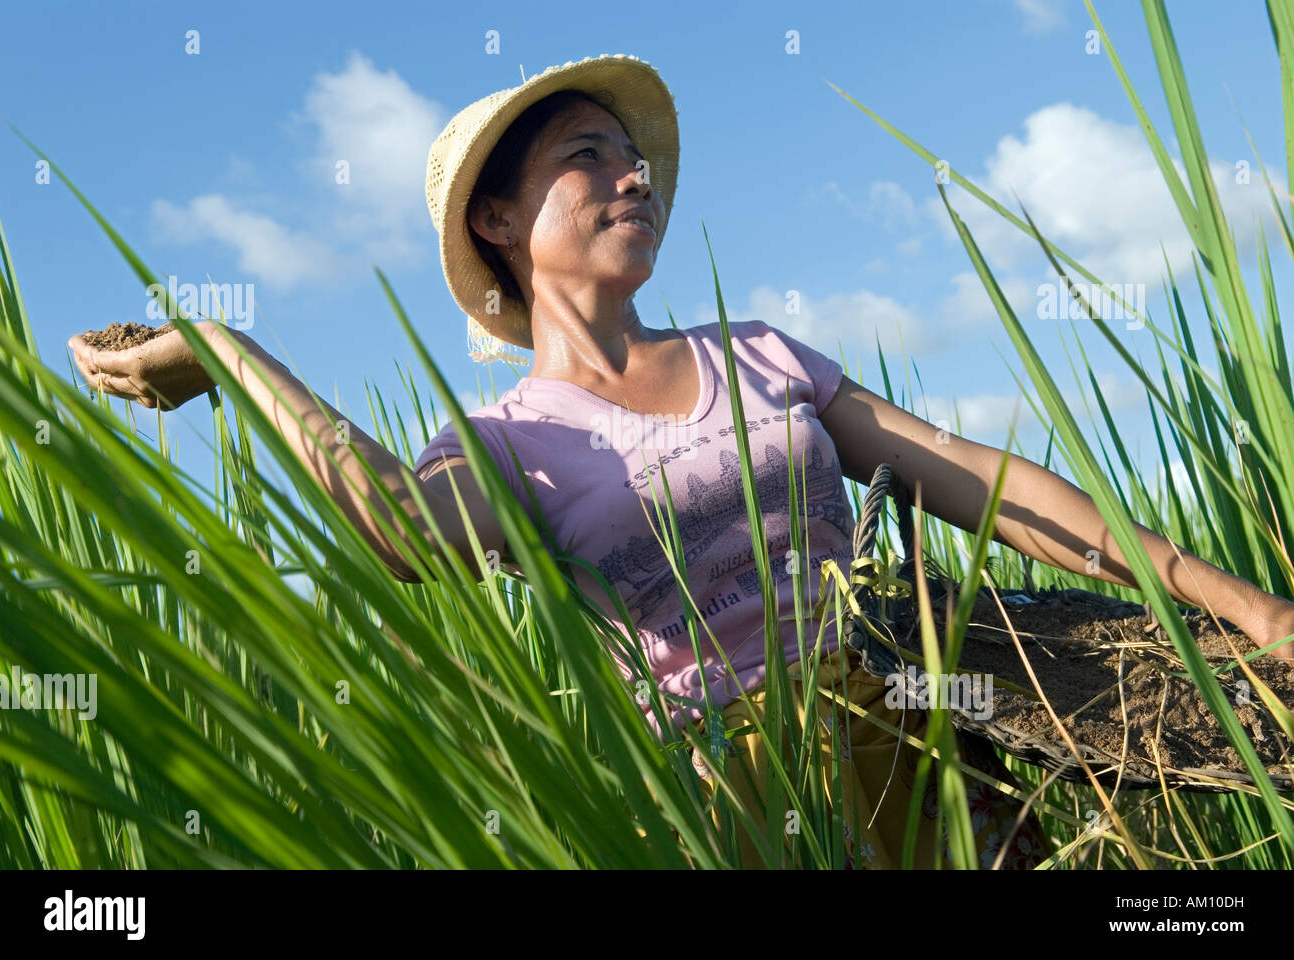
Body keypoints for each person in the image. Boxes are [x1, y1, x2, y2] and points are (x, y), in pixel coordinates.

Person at [68, 54, 1294, 870]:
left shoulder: (759, 352)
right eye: (588, 157)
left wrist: (1231, 600)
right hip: (741, 801)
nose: (631, 174)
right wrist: (231, 350)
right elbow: (397, 530)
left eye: (633, 156)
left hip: (911, 737)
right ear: (497, 220)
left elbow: (980, 482)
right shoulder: (507, 447)